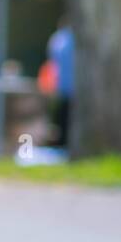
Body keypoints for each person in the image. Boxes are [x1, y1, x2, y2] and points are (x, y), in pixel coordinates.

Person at [46, 19, 74, 150]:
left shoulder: (56, 39)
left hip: (60, 85)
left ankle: (60, 144)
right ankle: (64, 145)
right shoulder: (70, 39)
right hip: (71, 86)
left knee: (61, 117)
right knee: (68, 118)